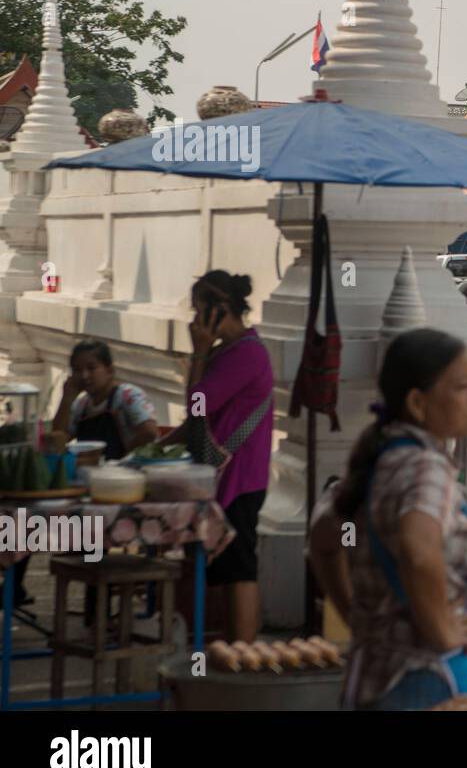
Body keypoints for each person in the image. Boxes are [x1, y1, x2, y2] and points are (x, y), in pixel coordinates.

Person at [309, 329, 467, 710]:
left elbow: (323, 539)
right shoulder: (426, 469)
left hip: (370, 675)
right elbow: (418, 550)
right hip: (419, 679)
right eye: (461, 387)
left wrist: (355, 614)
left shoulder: (378, 464)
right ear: (419, 403)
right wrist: (442, 631)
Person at [5, 341, 160, 608]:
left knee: (92, 531)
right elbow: (57, 440)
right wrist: (66, 398)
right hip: (91, 485)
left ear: (109, 370)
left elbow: (149, 431)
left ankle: (95, 601)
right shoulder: (82, 405)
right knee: (30, 521)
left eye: (92, 368)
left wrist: (118, 461)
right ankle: (13, 585)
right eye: (78, 370)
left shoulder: (127, 396)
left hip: (124, 487)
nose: (85, 376)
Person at [186, 270, 274, 643]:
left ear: (219, 311)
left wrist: (200, 353)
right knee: (224, 567)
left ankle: (243, 655)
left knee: (239, 569)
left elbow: (197, 403)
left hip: (239, 479)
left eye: (199, 311)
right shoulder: (233, 352)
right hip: (226, 478)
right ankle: (225, 650)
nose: (194, 322)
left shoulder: (246, 355)